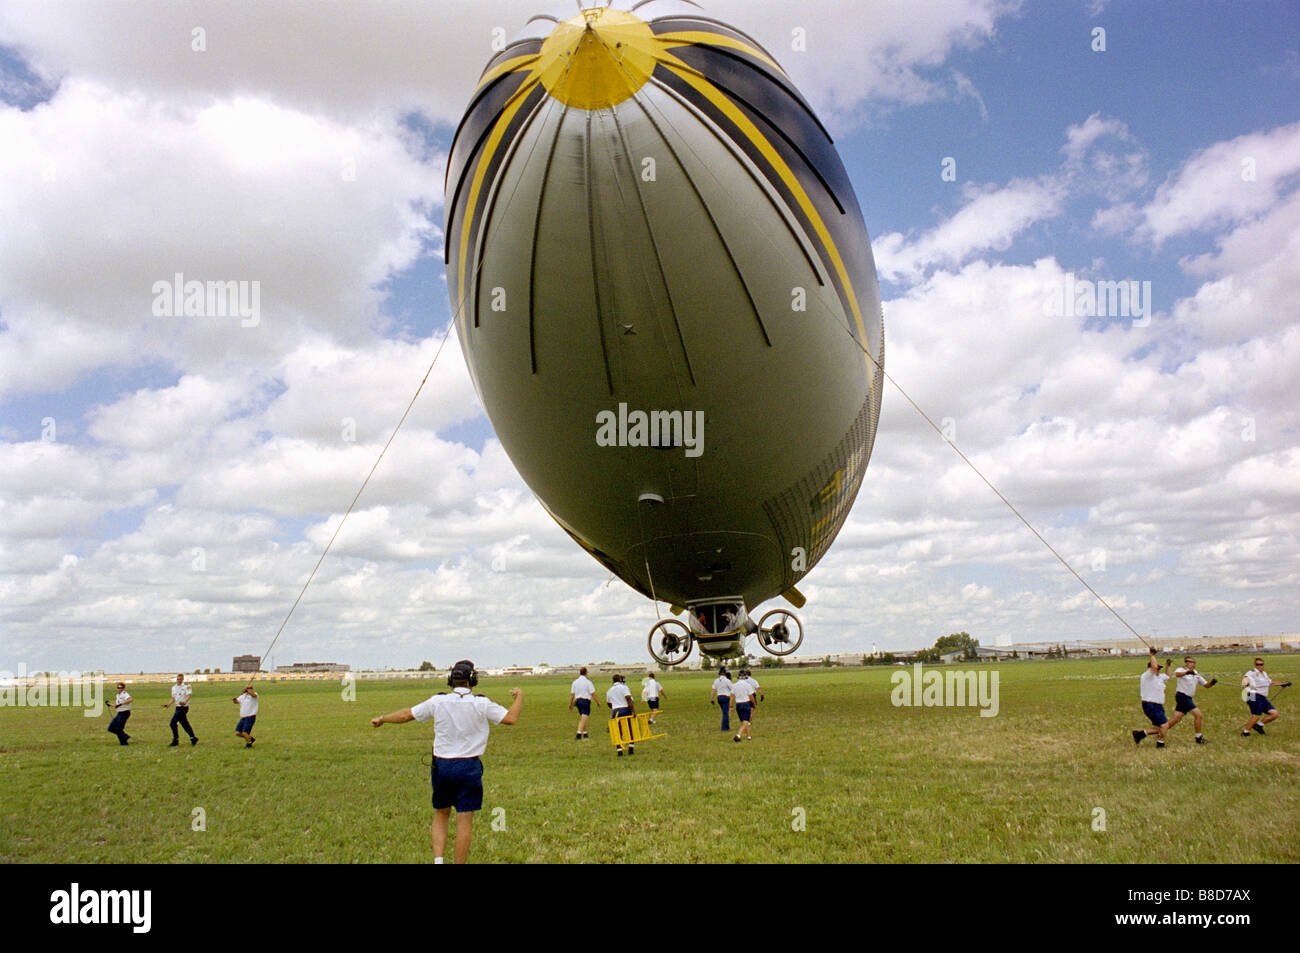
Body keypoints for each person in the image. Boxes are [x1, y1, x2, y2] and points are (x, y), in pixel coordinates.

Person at [371, 660, 522, 863]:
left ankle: (439, 860)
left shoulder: (438, 701)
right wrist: (520, 697)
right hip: (469, 767)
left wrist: (382, 718)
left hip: (442, 767)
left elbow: (407, 715)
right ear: (473, 680)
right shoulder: (481, 703)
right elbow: (511, 718)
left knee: (441, 815)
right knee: (464, 820)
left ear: (451, 680)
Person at [1168, 656, 1216, 743]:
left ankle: (1151, 732)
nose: (1192, 664)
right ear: (1186, 663)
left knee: (1176, 719)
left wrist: (1212, 683)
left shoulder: (1196, 673)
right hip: (1182, 696)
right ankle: (1199, 738)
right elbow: (1177, 674)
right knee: (1198, 715)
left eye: (1193, 662)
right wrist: (1187, 672)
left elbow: (1206, 685)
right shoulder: (1181, 669)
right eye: (1189, 662)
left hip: (1188, 698)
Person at [1132, 650, 1172, 748]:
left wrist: (1168, 665)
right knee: (1165, 726)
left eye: (1159, 668)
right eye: (1158, 668)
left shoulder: (1160, 677)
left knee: (1160, 727)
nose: (1158, 669)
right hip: (1151, 705)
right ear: (1150, 668)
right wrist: (1152, 655)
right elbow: (1154, 666)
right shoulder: (1147, 676)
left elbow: (1169, 676)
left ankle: (1140, 734)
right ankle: (1160, 745)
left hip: (1157, 705)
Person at [1241, 658, 1290, 736]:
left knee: (1274, 714)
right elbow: (1245, 679)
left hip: (1263, 698)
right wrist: (1246, 683)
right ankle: (1245, 732)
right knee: (1256, 715)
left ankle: (1258, 725)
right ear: (1255, 665)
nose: (1259, 666)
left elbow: (1270, 682)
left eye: (1261, 664)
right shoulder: (1252, 672)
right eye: (1258, 664)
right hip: (1253, 695)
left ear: (1263, 665)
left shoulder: (1264, 673)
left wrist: (1282, 684)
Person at [162, 673, 198, 747]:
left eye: (180, 679)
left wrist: (184, 702)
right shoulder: (174, 687)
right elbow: (173, 698)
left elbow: (188, 695)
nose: (179, 681)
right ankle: (193, 738)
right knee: (184, 723)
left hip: (184, 708)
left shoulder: (187, 686)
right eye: (178, 679)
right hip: (178, 707)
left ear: (183, 679)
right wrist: (168, 704)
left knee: (172, 723)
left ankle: (175, 740)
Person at [606, 674, 636, 756]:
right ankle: (631, 748)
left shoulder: (609, 690)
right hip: (625, 709)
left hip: (616, 710)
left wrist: (615, 706)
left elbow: (609, 703)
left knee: (617, 731)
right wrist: (633, 711)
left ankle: (619, 750)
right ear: (620, 679)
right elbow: (629, 699)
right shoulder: (624, 687)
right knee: (630, 728)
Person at [569, 666, 597, 740]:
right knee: (584, 718)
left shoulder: (575, 682)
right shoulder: (588, 682)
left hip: (578, 701)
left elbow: (572, 694)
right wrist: (598, 702)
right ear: (586, 673)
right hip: (585, 701)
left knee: (583, 717)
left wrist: (571, 703)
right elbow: (593, 693)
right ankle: (578, 734)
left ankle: (585, 734)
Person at [731, 671, 755, 742]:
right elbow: (751, 696)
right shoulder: (748, 685)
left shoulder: (734, 685)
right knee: (746, 721)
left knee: (744, 722)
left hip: (738, 704)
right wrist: (754, 704)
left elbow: (732, 697)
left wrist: (731, 706)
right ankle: (738, 735)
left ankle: (749, 736)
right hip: (746, 704)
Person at [711, 667, 733, 732]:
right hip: (726, 697)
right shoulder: (727, 680)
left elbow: (713, 690)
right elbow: (732, 688)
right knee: (725, 713)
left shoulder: (716, 680)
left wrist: (712, 698)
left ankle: (727, 726)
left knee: (724, 712)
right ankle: (724, 728)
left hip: (719, 697)